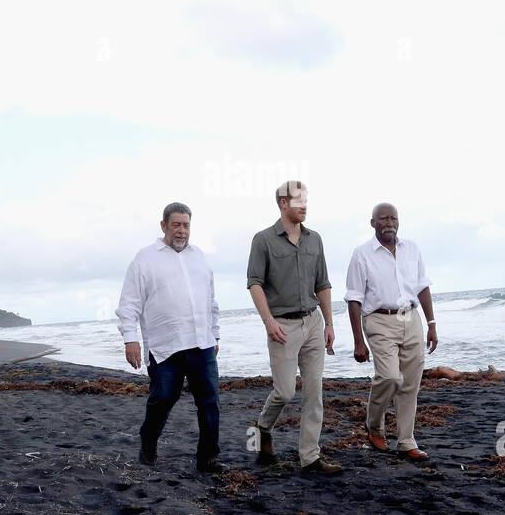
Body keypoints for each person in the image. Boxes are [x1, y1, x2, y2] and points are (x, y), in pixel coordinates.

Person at [116, 202, 226, 473]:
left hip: (201, 343)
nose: (181, 230)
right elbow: (129, 303)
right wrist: (131, 338)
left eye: (186, 225)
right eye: (176, 224)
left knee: (209, 401)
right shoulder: (144, 259)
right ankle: (148, 442)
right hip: (165, 346)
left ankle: (208, 458)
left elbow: (210, 301)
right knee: (163, 398)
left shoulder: (199, 257)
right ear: (163, 226)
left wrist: (215, 335)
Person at [248, 180, 342, 475]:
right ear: (282, 203)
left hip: (313, 322)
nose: (304, 206)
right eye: (298, 201)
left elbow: (323, 284)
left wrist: (329, 323)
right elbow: (254, 283)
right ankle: (263, 427)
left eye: (307, 201)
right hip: (282, 326)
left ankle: (310, 457)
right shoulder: (263, 240)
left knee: (315, 392)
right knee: (285, 391)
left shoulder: (315, 239)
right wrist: (268, 321)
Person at [345, 203, 437, 460]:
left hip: (411, 319)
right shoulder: (362, 254)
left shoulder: (412, 249)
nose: (389, 223)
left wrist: (431, 324)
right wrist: (358, 341)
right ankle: (374, 426)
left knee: (410, 385)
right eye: (383, 219)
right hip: (378, 320)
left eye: (393, 218)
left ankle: (406, 441)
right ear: (372, 223)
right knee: (389, 377)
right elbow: (354, 298)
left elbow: (422, 287)